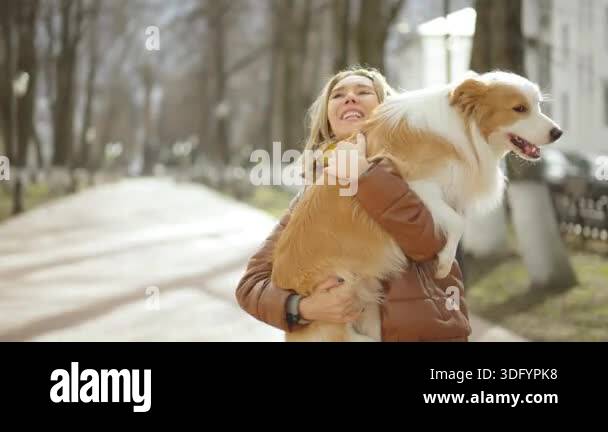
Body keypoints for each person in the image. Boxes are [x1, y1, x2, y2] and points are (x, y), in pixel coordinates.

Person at [235, 67, 471, 341]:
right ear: (328, 119)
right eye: (338, 95)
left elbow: (430, 245)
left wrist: (365, 176)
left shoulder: (426, 171)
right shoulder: (312, 197)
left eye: (363, 92)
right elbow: (250, 286)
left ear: (387, 109)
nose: (349, 98)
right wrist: (304, 307)